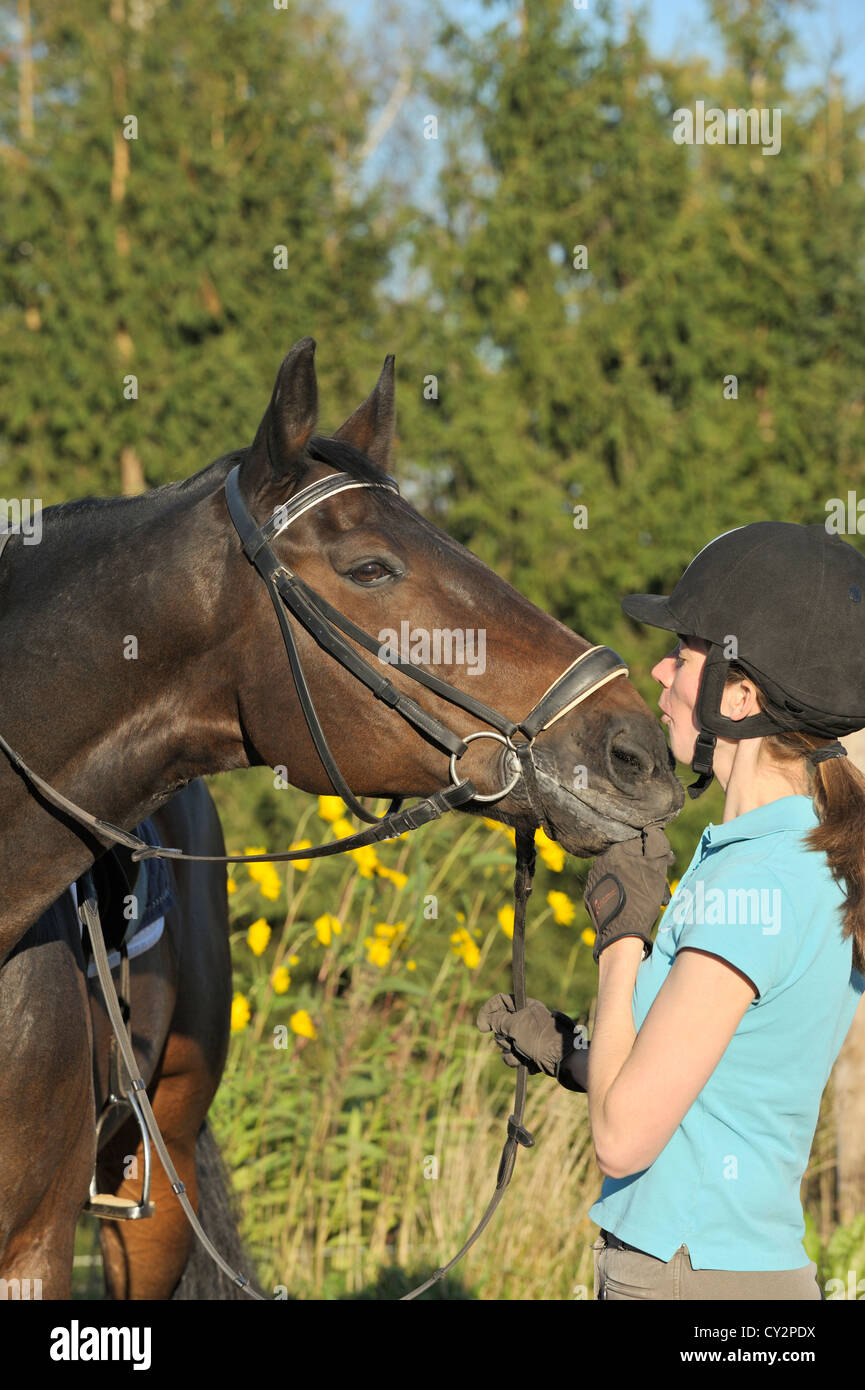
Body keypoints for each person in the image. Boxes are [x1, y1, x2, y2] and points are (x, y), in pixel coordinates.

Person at [478, 522, 865, 1300]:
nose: (658, 668)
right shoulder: (792, 857)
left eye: (684, 653)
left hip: (685, 1277)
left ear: (741, 694)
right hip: (729, 1270)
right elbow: (707, 1085)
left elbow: (622, 1141)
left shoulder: (758, 881)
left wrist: (621, 939)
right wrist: (575, 1054)